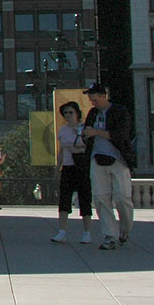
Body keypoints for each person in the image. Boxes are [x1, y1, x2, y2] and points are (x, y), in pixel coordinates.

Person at [83, 82, 135, 249]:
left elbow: (121, 134)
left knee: (122, 197)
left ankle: (125, 230)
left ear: (104, 96)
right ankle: (109, 235)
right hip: (96, 159)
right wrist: (85, 134)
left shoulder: (119, 111)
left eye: (96, 100)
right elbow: (87, 132)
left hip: (118, 159)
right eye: (91, 100)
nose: (93, 103)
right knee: (100, 197)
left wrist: (96, 132)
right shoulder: (92, 113)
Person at [51, 101, 93, 243]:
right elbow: (62, 151)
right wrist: (58, 168)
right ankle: (62, 231)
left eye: (71, 112)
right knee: (64, 199)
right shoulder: (63, 130)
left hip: (81, 167)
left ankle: (87, 233)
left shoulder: (83, 128)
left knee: (84, 198)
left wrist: (77, 147)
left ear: (77, 113)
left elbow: (88, 147)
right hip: (67, 167)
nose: (68, 115)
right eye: (65, 113)